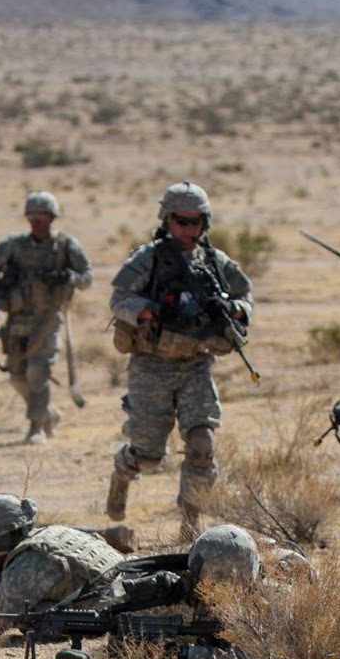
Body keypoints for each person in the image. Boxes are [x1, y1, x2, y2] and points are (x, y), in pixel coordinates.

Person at [106, 181, 253, 540]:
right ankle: (122, 474)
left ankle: (190, 527)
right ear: (167, 219)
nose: (189, 229)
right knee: (149, 456)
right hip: (151, 367)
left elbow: (245, 294)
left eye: (195, 222)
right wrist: (151, 311)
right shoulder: (149, 259)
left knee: (202, 445)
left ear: (205, 222)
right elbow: (119, 299)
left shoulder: (215, 262)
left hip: (196, 366)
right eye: (181, 221)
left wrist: (233, 308)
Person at [0, 191, 94, 443]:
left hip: (48, 320)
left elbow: (87, 277)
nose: (36, 222)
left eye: (42, 217)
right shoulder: (15, 245)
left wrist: (68, 276)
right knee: (16, 377)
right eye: (32, 217)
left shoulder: (65, 245)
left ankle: (36, 428)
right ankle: (48, 413)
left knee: (37, 372)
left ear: (52, 218)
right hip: (17, 318)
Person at [0, 493, 126, 615]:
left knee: (36, 618)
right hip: (131, 586)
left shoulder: (29, 564)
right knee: (41, 612)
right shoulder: (56, 532)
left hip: (122, 608)